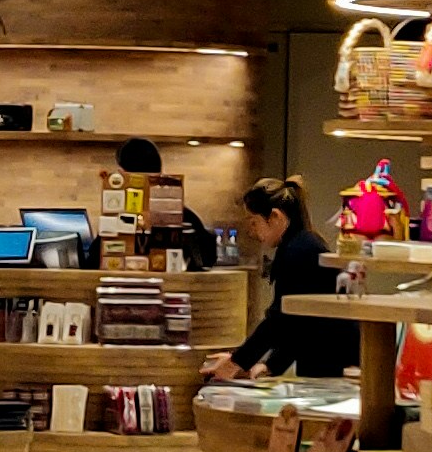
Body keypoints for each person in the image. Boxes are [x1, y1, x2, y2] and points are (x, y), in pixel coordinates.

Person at [201, 176, 347, 382]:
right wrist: (271, 364)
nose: (252, 232)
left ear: (275, 217)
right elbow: (296, 323)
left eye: (254, 222)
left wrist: (237, 361)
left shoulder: (299, 251)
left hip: (332, 362)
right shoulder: (302, 245)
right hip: (323, 361)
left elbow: (280, 320)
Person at [112, 138, 218, 269]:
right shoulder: (187, 217)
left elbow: (94, 262)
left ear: (122, 174)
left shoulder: (119, 220)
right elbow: (207, 260)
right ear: (161, 172)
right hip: (184, 287)